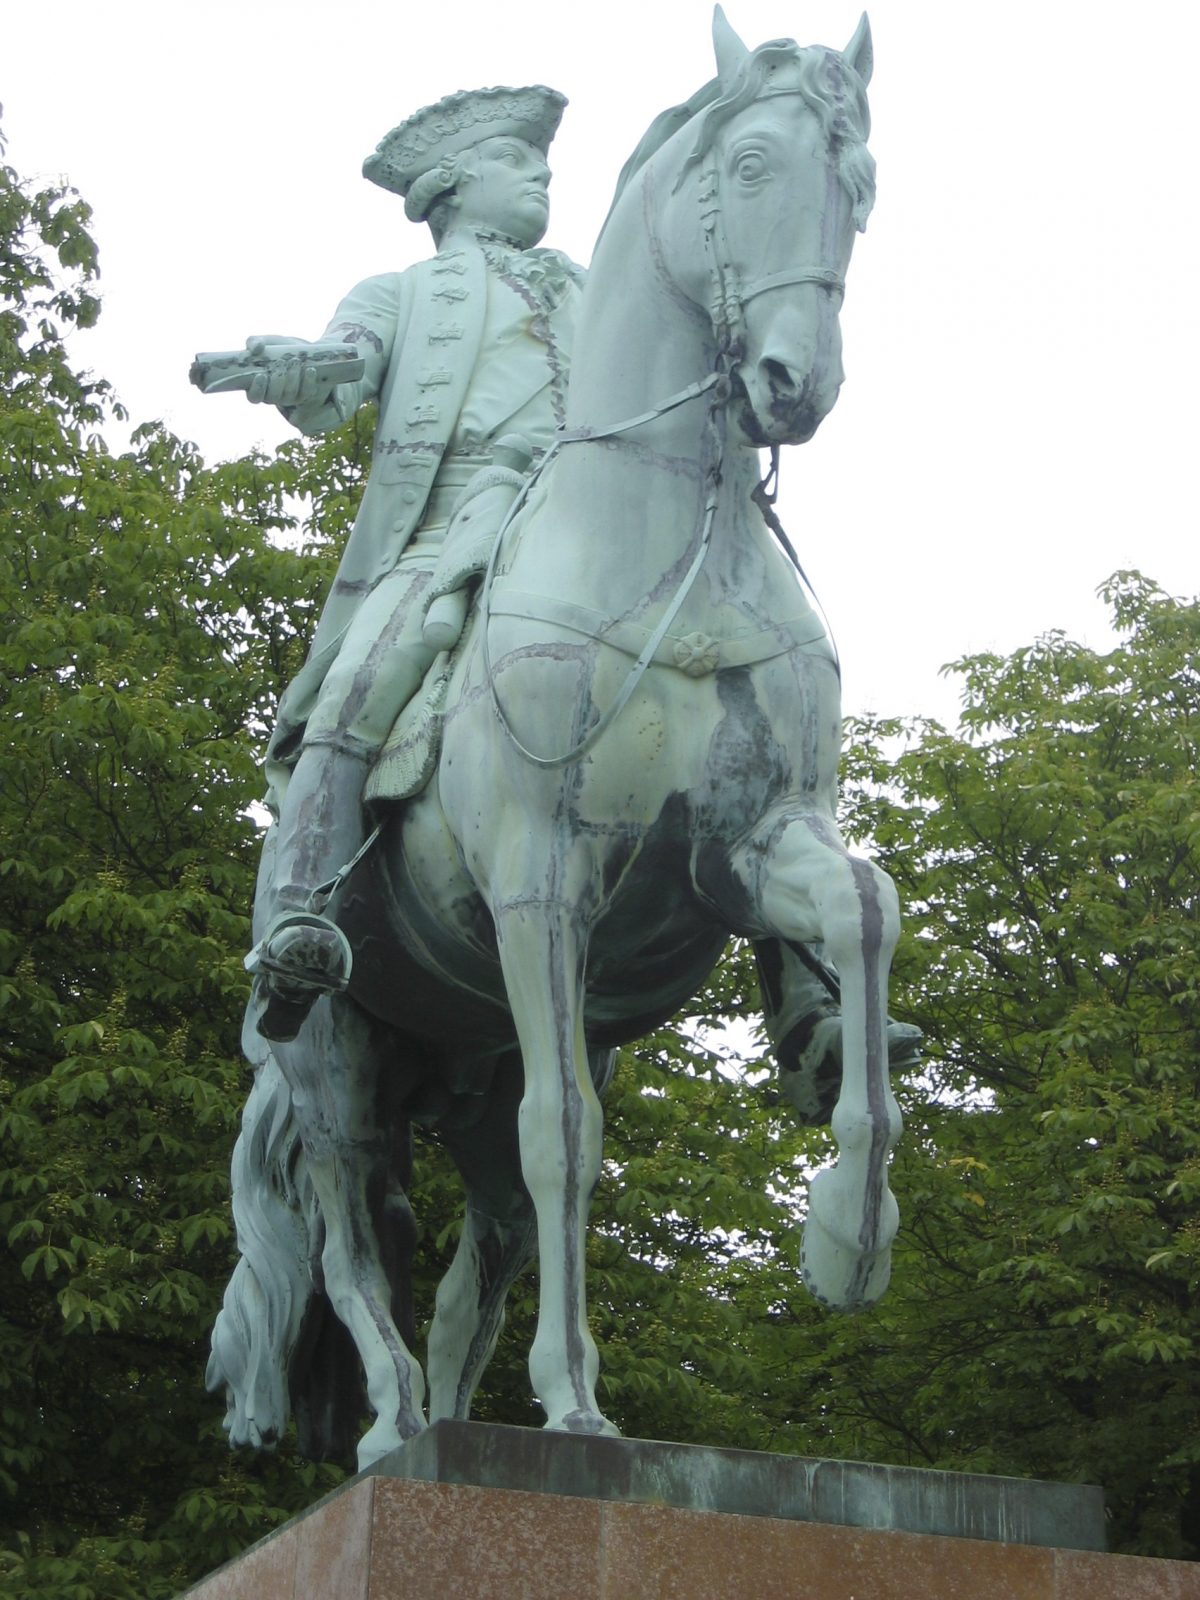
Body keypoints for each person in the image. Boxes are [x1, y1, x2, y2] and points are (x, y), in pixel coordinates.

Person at [236, 85, 585, 1041]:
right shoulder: (400, 292)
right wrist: (300, 365)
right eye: (515, 160)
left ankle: (806, 977)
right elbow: (341, 369)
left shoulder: (586, 285)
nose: (543, 174)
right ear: (449, 188)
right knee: (352, 695)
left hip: (588, 520)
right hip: (444, 535)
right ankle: (302, 914)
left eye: (541, 161)